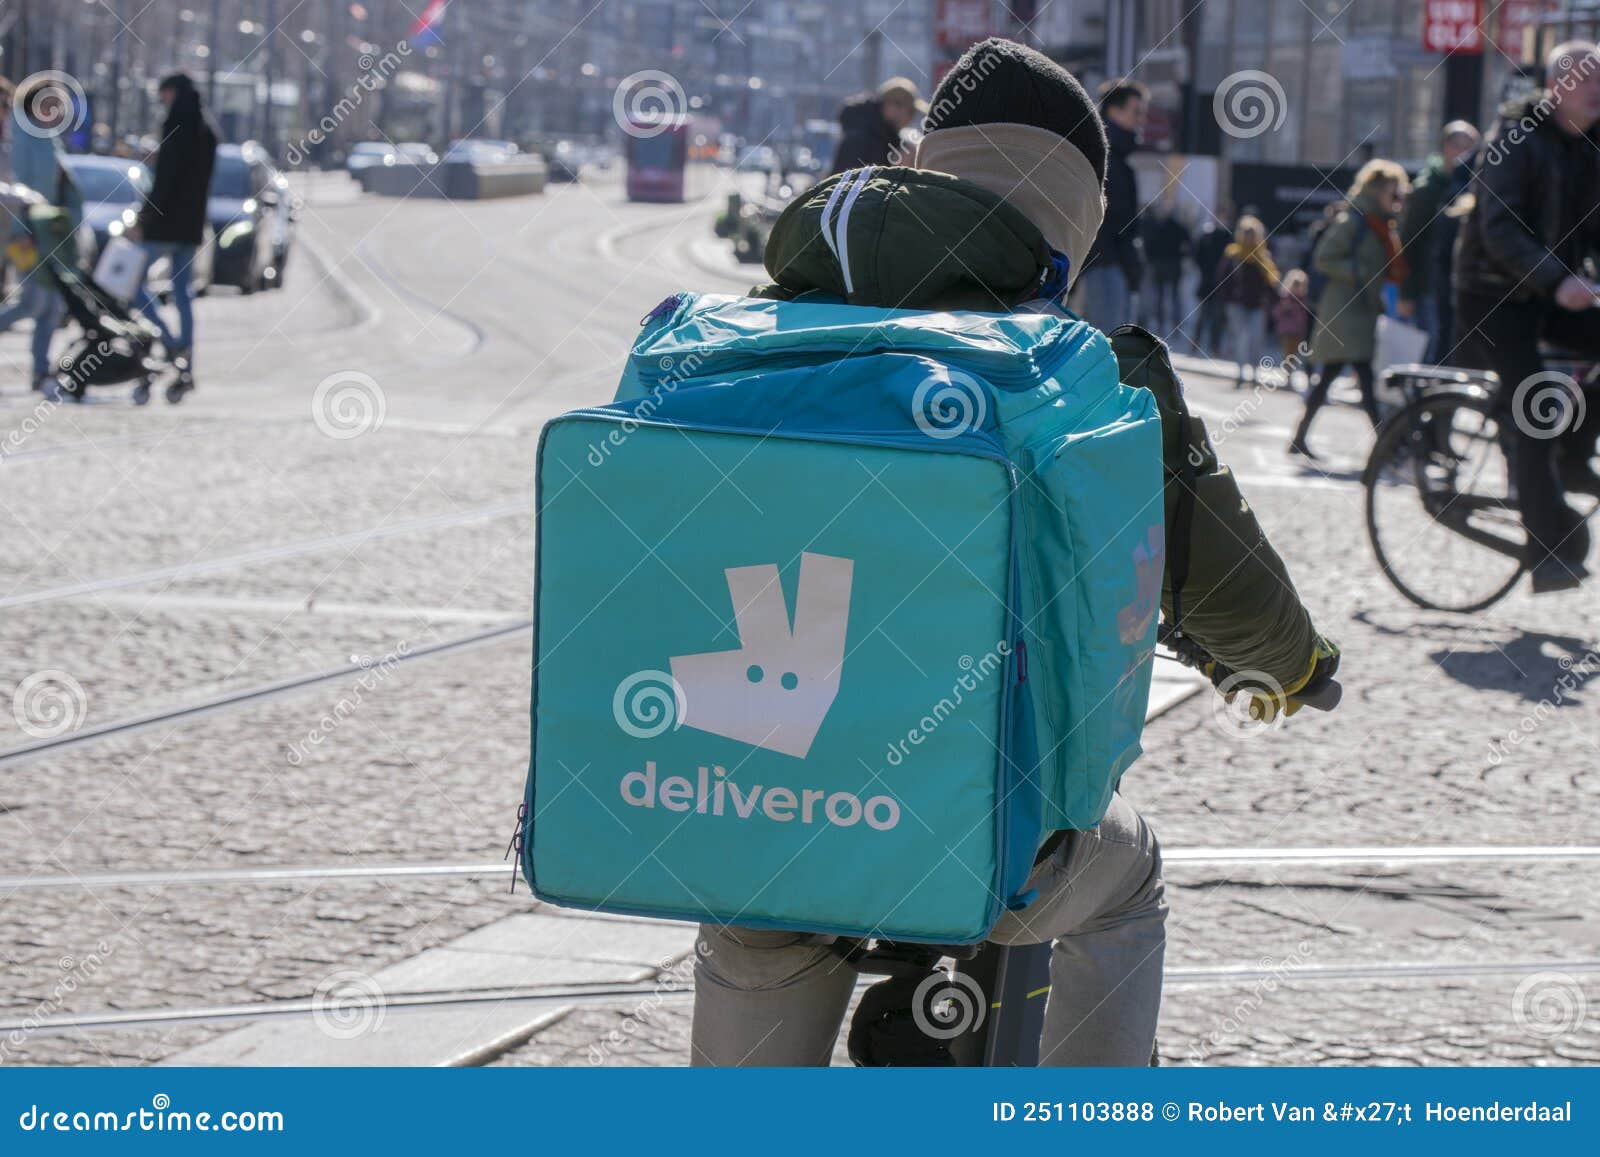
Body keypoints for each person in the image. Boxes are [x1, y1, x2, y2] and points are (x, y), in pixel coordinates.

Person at [696, 37, 1339, 1067]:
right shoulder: (1094, 379)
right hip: (988, 846)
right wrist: (1298, 668)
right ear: (1075, 217)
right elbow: (1236, 604)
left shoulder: (777, 332)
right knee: (1126, 887)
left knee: (756, 914)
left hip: (760, 799)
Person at [1453, 41, 1600, 594]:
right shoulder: (1518, 138)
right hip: (1492, 295)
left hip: (1544, 293)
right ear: (1560, 86)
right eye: (1593, 83)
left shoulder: (1585, 146)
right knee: (1534, 405)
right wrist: (1557, 279)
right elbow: (1498, 228)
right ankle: (1547, 551)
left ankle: (1578, 456)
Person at [1289, 160, 1411, 459]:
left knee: (1334, 375)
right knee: (1364, 381)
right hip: (1344, 312)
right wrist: (1361, 273)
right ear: (1377, 189)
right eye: (1392, 193)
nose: (1395, 199)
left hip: (1358, 312)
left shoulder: (1379, 222)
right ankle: (1387, 443)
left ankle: (1300, 438)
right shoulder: (1355, 220)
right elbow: (1323, 258)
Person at [131, 72, 217, 378]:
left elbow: (164, 182)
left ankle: (168, 340)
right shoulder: (207, 131)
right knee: (183, 294)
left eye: (164, 94)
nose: (162, 101)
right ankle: (187, 357)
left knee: (132, 282)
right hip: (191, 226)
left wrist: (144, 219)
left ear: (173, 93)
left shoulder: (174, 126)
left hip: (165, 225)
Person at [0, 75, 78, 391]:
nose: (59, 112)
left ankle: (40, 369)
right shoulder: (21, 138)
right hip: (28, 232)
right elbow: (18, 187)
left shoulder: (49, 139)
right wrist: (20, 231)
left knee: (52, 305)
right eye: (53, 104)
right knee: (32, 302)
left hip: (49, 230)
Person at [1398, 120, 1480, 363]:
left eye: (1471, 147)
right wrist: (1406, 294)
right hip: (1428, 286)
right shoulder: (1427, 188)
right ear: (1445, 146)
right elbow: (1408, 242)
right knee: (1433, 352)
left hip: (1460, 284)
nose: (1464, 153)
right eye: (1458, 145)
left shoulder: (1473, 186)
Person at [1072, 78, 1147, 332]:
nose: (1141, 120)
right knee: (1109, 344)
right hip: (1104, 266)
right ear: (1114, 111)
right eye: (1136, 112)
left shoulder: (1114, 157)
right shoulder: (1103, 155)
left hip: (1108, 264)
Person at [1214, 214, 1280, 381]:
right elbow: (1222, 278)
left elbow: (1271, 282)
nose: (1249, 236)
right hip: (1237, 304)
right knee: (1241, 339)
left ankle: (1255, 373)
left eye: (1252, 233)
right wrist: (1228, 298)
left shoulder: (1263, 257)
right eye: (1246, 232)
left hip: (1257, 304)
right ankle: (1241, 373)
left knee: (1256, 339)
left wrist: (1275, 301)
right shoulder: (1233, 254)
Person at [828, 77, 920, 174]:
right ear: (891, 105)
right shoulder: (864, 139)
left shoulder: (881, 136)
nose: (911, 118)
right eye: (911, 112)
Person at [1191, 203, 1233, 355]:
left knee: (1218, 317)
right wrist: (1205, 271)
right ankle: (1195, 343)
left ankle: (1215, 346)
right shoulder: (1207, 234)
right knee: (1202, 315)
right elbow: (1197, 255)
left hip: (1222, 284)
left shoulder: (1230, 237)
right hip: (1207, 281)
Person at [1141, 203, 1190, 335]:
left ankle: (1161, 326)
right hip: (1174, 264)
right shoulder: (1179, 227)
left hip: (1161, 265)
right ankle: (1176, 326)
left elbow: (1150, 245)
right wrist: (1182, 256)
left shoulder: (1158, 226)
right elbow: (1188, 244)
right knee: (1174, 296)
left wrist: (1151, 260)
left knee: (1160, 297)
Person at [1274, 268, 1313, 370]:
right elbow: (1276, 313)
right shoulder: (1286, 298)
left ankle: (1289, 371)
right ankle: (1286, 371)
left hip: (1298, 332)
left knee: (1294, 354)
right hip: (1286, 331)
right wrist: (1284, 308)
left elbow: (1304, 318)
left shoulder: (1303, 301)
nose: (1297, 288)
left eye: (1299, 285)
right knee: (1287, 352)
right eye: (1295, 285)